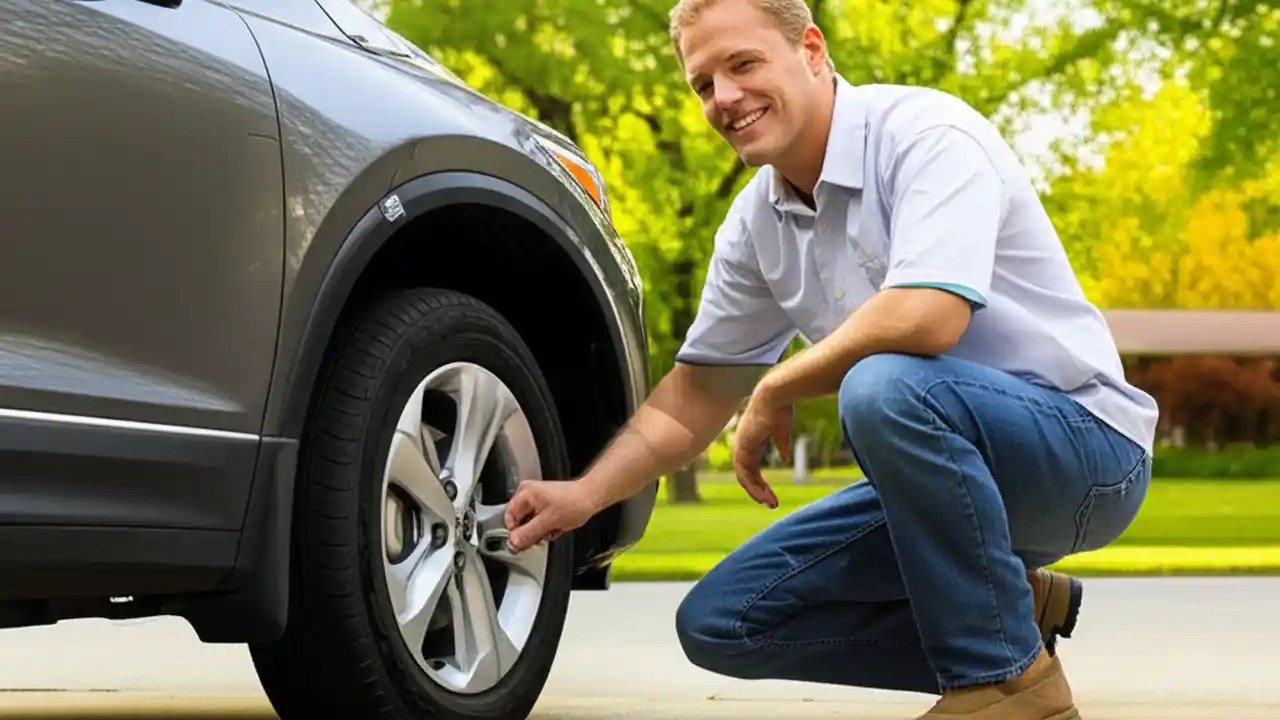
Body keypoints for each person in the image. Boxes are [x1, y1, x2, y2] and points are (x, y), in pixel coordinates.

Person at [504, 0, 1159, 717]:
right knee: (725, 622)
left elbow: (928, 315)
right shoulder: (756, 225)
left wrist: (780, 383)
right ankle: (1010, 616)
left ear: (811, 50)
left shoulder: (926, 135)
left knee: (882, 385)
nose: (724, 97)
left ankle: (999, 688)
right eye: (702, 83)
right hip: (947, 484)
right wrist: (584, 494)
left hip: (1086, 456)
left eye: (743, 64)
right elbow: (695, 394)